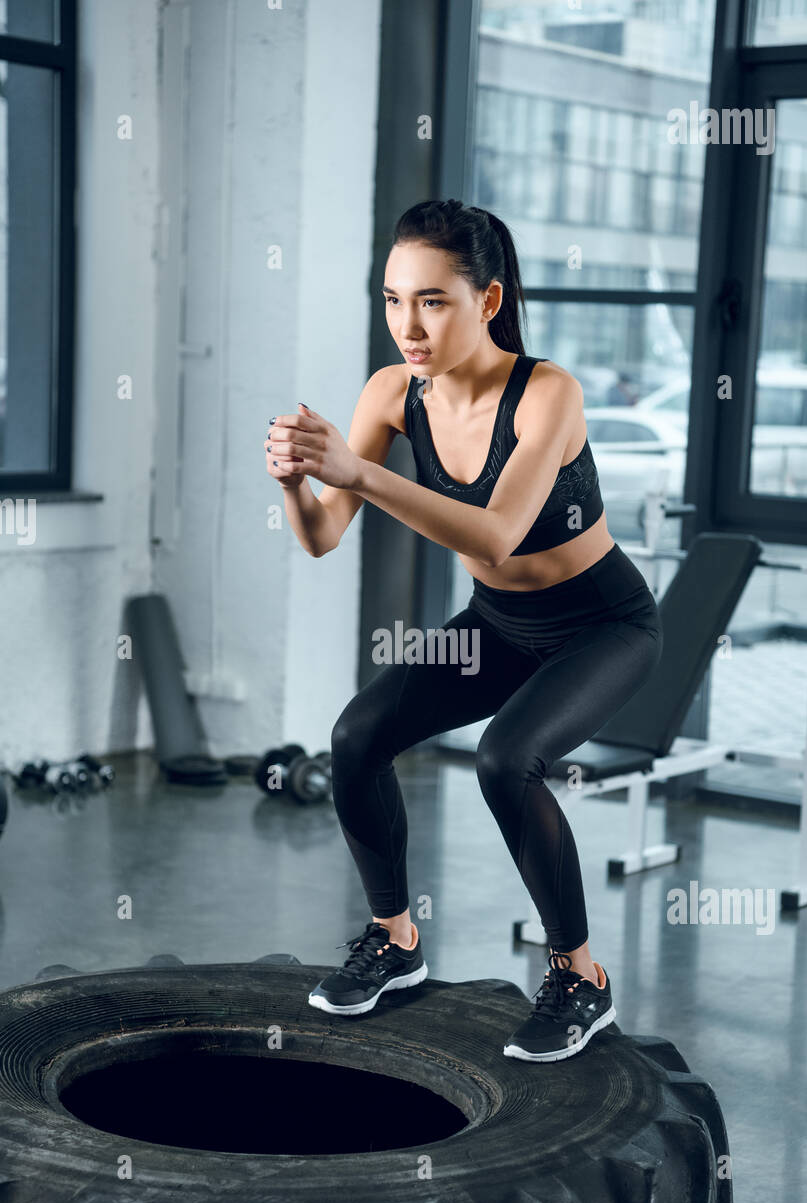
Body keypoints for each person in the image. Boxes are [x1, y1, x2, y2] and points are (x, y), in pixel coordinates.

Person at [263, 199, 663, 1063]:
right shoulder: (391, 392)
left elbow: (492, 535)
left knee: (503, 760)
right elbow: (323, 537)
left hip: (602, 624)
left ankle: (579, 978)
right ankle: (395, 941)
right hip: (498, 623)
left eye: (433, 301)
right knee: (357, 735)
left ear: (486, 301)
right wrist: (297, 479)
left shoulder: (548, 393)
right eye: (393, 299)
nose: (408, 324)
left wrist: (361, 471)